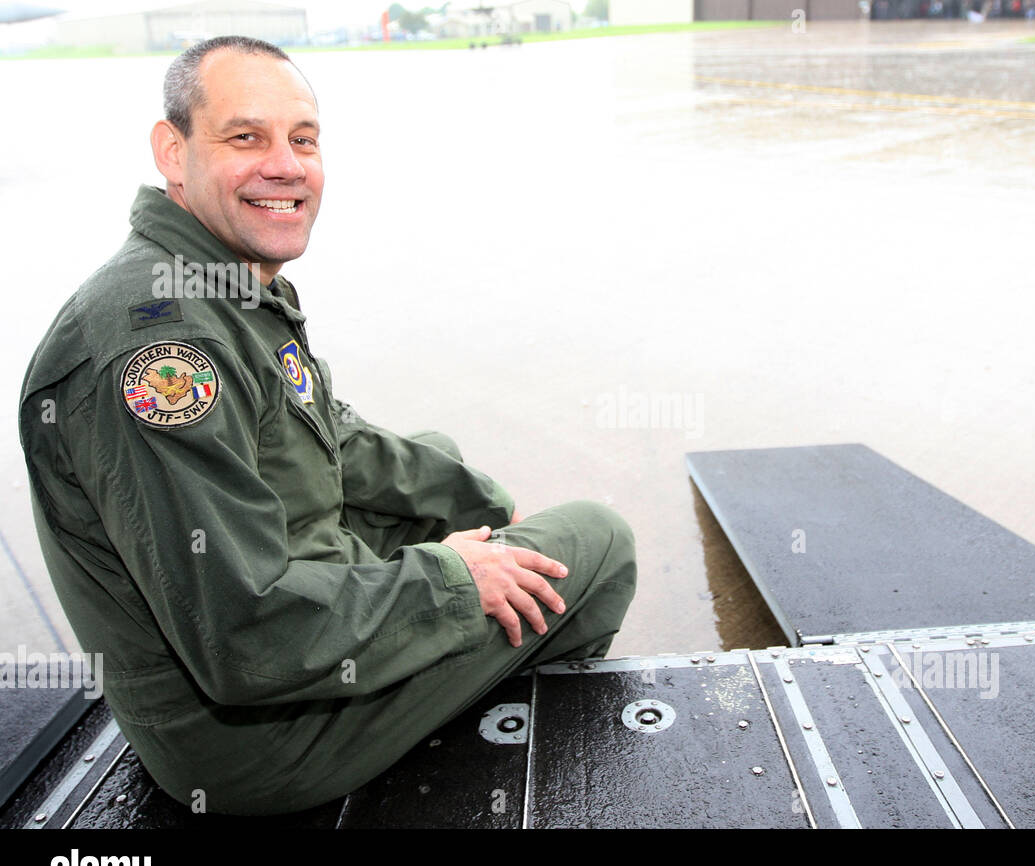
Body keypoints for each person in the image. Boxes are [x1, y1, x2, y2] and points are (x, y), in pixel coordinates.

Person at [18, 36, 636, 817]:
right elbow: (242, 634)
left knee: (439, 467)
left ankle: (455, 660)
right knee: (598, 541)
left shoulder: (220, 279)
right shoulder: (162, 348)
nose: (286, 166)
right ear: (173, 151)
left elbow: (330, 438)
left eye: (303, 139)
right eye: (247, 137)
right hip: (252, 735)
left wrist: (488, 504)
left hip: (281, 616)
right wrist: (453, 579)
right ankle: (476, 723)